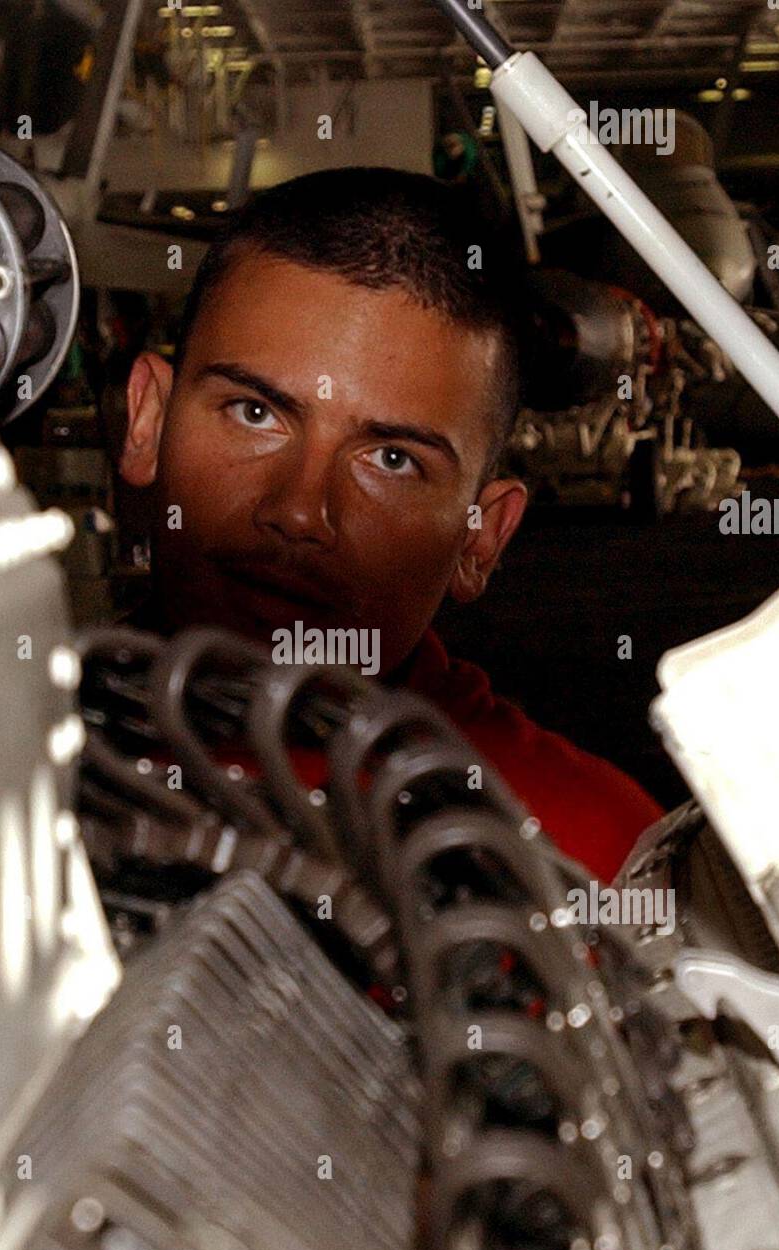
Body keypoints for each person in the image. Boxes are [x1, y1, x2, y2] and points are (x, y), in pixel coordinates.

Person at [116, 166, 662, 880]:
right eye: (256, 413)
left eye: (392, 459)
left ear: (481, 536)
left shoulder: (593, 857)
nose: (299, 512)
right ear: (147, 421)